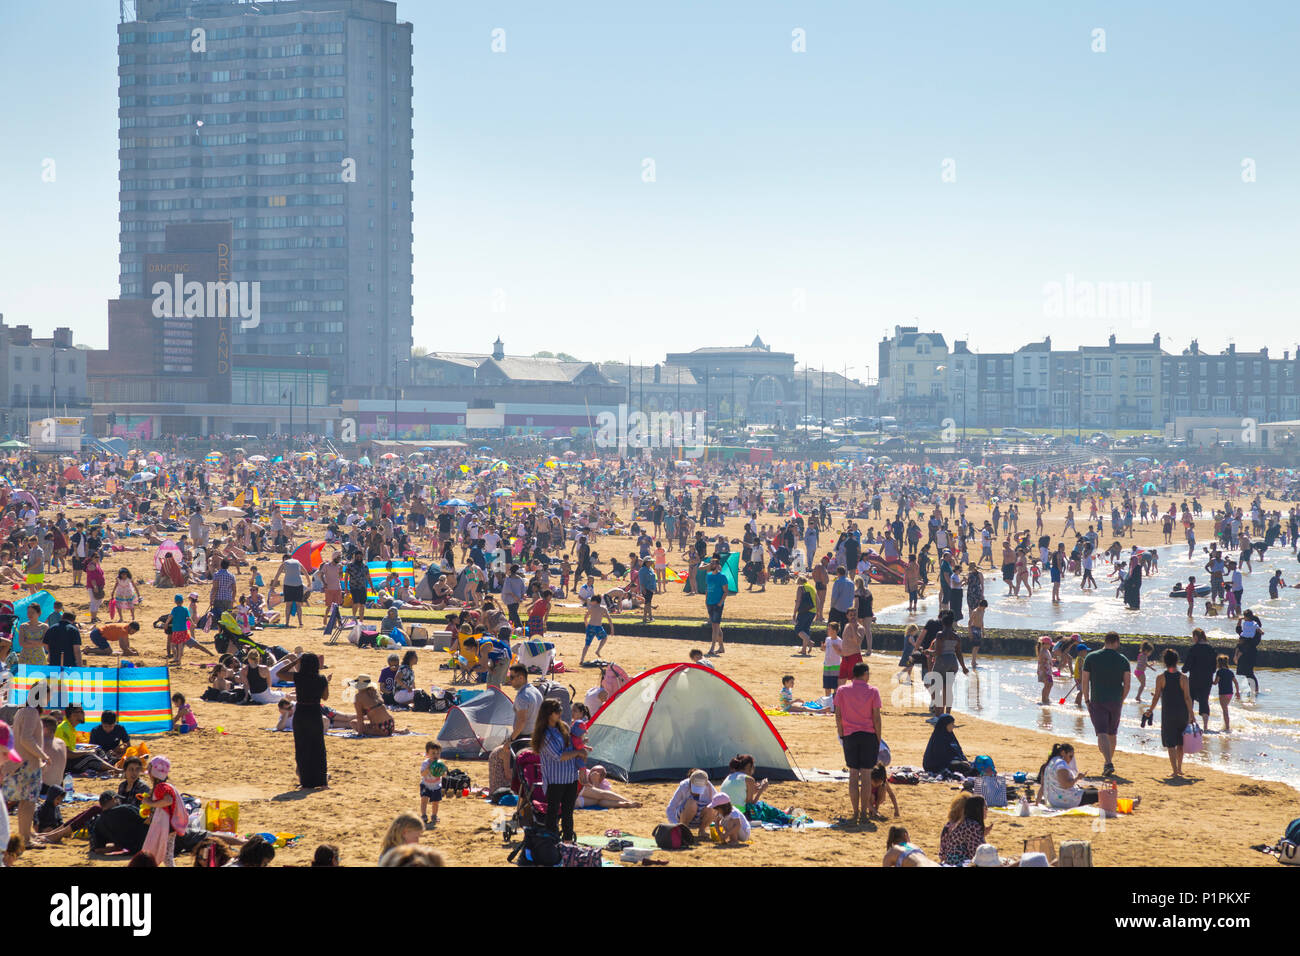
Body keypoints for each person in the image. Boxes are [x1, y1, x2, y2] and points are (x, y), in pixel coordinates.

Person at [833, 662, 882, 824]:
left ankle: (855, 812)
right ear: (865, 674)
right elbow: (876, 717)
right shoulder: (873, 691)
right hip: (869, 735)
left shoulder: (842, 690)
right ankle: (863, 813)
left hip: (850, 735)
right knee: (866, 775)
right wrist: (878, 736)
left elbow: (838, 715)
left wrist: (841, 733)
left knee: (853, 774)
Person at [1081, 631, 1131, 777]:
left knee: (1101, 732)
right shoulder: (1123, 659)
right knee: (1112, 733)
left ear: (1105, 641)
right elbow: (1127, 684)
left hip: (1098, 699)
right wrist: (1121, 699)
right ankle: (1107, 763)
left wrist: (1086, 699)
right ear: (1116, 642)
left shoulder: (1091, 657)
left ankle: (1108, 762)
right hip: (1116, 700)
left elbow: (1085, 682)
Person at [533, 699, 582, 842]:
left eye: (560, 709)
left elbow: (572, 747)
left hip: (571, 777)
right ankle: (551, 843)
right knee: (552, 814)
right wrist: (578, 753)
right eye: (557, 711)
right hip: (555, 780)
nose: (560, 713)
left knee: (568, 813)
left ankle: (568, 842)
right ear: (548, 714)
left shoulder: (564, 727)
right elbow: (558, 756)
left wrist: (581, 748)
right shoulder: (544, 735)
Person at [1145, 649, 1196, 778]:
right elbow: (1187, 698)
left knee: (1170, 743)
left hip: (1168, 714)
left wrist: (1150, 710)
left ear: (1164, 662)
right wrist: (1192, 714)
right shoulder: (1183, 678)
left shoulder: (1161, 678)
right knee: (1180, 742)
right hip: (1182, 714)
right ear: (1177, 661)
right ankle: (1179, 768)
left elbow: (1156, 697)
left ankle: (1174, 770)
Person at [139, 755, 185, 867]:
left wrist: (150, 803)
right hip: (170, 825)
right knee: (166, 854)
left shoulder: (161, 787)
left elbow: (168, 801)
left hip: (166, 826)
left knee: (164, 854)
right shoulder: (165, 786)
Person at [293, 653, 329, 788]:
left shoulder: (298, 677)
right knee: (318, 747)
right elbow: (325, 697)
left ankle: (305, 781)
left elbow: (280, 673)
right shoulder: (321, 679)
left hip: (301, 712)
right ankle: (322, 781)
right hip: (314, 712)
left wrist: (295, 661)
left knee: (302, 747)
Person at [1182, 628, 1217, 734]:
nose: (1193, 639)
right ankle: (1205, 727)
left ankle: (1189, 723)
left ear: (1196, 637)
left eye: (1193, 637)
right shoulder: (1211, 649)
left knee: (1190, 700)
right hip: (1207, 680)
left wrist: (1184, 670)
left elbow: (1187, 666)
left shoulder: (1194, 649)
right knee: (1204, 701)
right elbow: (1214, 668)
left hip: (1194, 679)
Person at [939, 794, 990, 865]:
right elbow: (976, 854)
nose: (987, 810)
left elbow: (942, 853)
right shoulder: (971, 825)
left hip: (948, 861)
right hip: (960, 863)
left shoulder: (953, 824)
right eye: (986, 807)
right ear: (977, 809)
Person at [665, 769, 720, 836]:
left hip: (701, 818)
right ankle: (683, 830)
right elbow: (670, 808)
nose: (696, 792)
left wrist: (719, 824)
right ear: (690, 782)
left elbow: (718, 804)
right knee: (692, 803)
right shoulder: (683, 785)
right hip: (683, 816)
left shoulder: (709, 786)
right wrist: (675, 824)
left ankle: (702, 830)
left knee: (713, 806)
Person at [509, 664, 542, 752]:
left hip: (523, 738)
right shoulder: (536, 691)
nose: (510, 680)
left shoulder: (522, 696)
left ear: (521, 678)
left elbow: (522, 721)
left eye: (512, 677)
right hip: (536, 736)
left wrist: (511, 740)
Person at [419, 741, 447, 828]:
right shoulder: (425, 763)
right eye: (433, 753)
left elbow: (444, 774)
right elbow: (422, 774)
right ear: (427, 754)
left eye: (438, 753)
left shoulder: (440, 764)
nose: (436, 755)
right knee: (424, 800)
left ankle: (434, 815)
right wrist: (428, 768)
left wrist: (443, 772)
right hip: (426, 785)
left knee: (435, 802)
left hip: (436, 786)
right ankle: (423, 815)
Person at [579, 595, 612, 665]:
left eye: (591, 601)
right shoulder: (603, 608)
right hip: (598, 627)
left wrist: (586, 625)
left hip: (590, 626)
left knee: (587, 645)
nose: (590, 602)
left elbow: (585, 617)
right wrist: (612, 628)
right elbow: (609, 619)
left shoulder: (591, 608)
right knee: (604, 638)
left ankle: (582, 659)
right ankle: (598, 650)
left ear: (595, 601)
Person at [704, 556, 727, 655]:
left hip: (717, 604)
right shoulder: (708, 575)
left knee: (715, 626)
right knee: (716, 626)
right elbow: (707, 589)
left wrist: (720, 602)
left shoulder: (722, 576)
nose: (711, 564)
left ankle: (712, 647)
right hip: (710, 602)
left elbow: (726, 591)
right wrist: (706, 600)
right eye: (711, 563)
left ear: (717, 565)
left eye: (713, 563)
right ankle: (721, 647)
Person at [1214, 654, 1240, 732]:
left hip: (1223, 693)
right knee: (1225, 709)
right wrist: (1237, 692)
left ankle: (1227, 727)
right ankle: (1226, 725)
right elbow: (1236, 682)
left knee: (1225, 710)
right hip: (1230, 693)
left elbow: (1216, 682)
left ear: (1219, 663)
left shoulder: (1219, 672)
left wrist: (1209, 682)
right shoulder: (1230, 672)